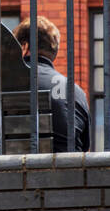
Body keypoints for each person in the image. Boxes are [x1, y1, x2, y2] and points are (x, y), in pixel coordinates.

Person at [17, 16, 90, 153]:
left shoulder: (3, 86)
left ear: (24, 47)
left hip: (15, 172)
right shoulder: (75, 92)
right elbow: (84, 146)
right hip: (69, 172)